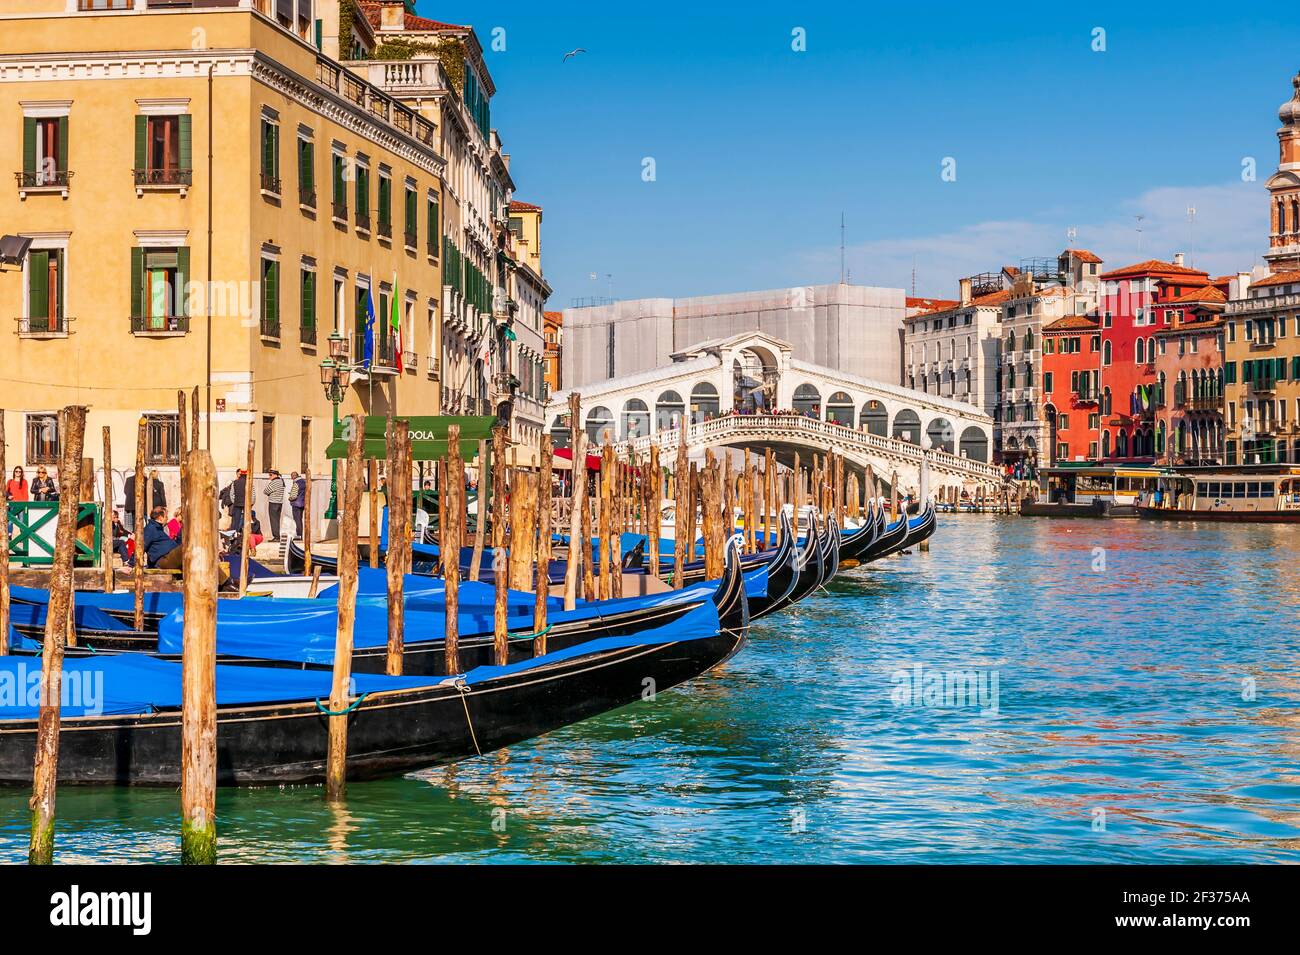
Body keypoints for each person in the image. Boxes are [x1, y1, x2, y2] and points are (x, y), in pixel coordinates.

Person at [141, 504, 180, 569]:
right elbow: (141, 546)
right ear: (160, 518)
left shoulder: (158, 528)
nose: (167, 519)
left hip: (168, 557)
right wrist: (131, 564)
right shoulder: (150, 529)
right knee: (185, 549)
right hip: (163, 560)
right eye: (166, 516)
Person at [264, 468, 286, 542]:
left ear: (275, 475)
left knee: (273, 520)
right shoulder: (281, 481)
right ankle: (277, 536)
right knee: (277, 520)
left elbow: (265, 491)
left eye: (270, 475)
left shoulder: (274, 482)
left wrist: (270, 493)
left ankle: (276, 536)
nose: (269, 477)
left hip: (273, 503)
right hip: (279, 503)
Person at [289, 470, 307, 539]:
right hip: (302, 504)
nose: (291, 478)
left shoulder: (296, 483)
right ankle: (300, 535)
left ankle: (298, 535)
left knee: (297, 520)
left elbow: (293, 496)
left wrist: (290, 498)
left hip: (296, 504)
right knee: (300, 520)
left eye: (291, 477)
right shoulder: (304, 482)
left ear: (294, 476)